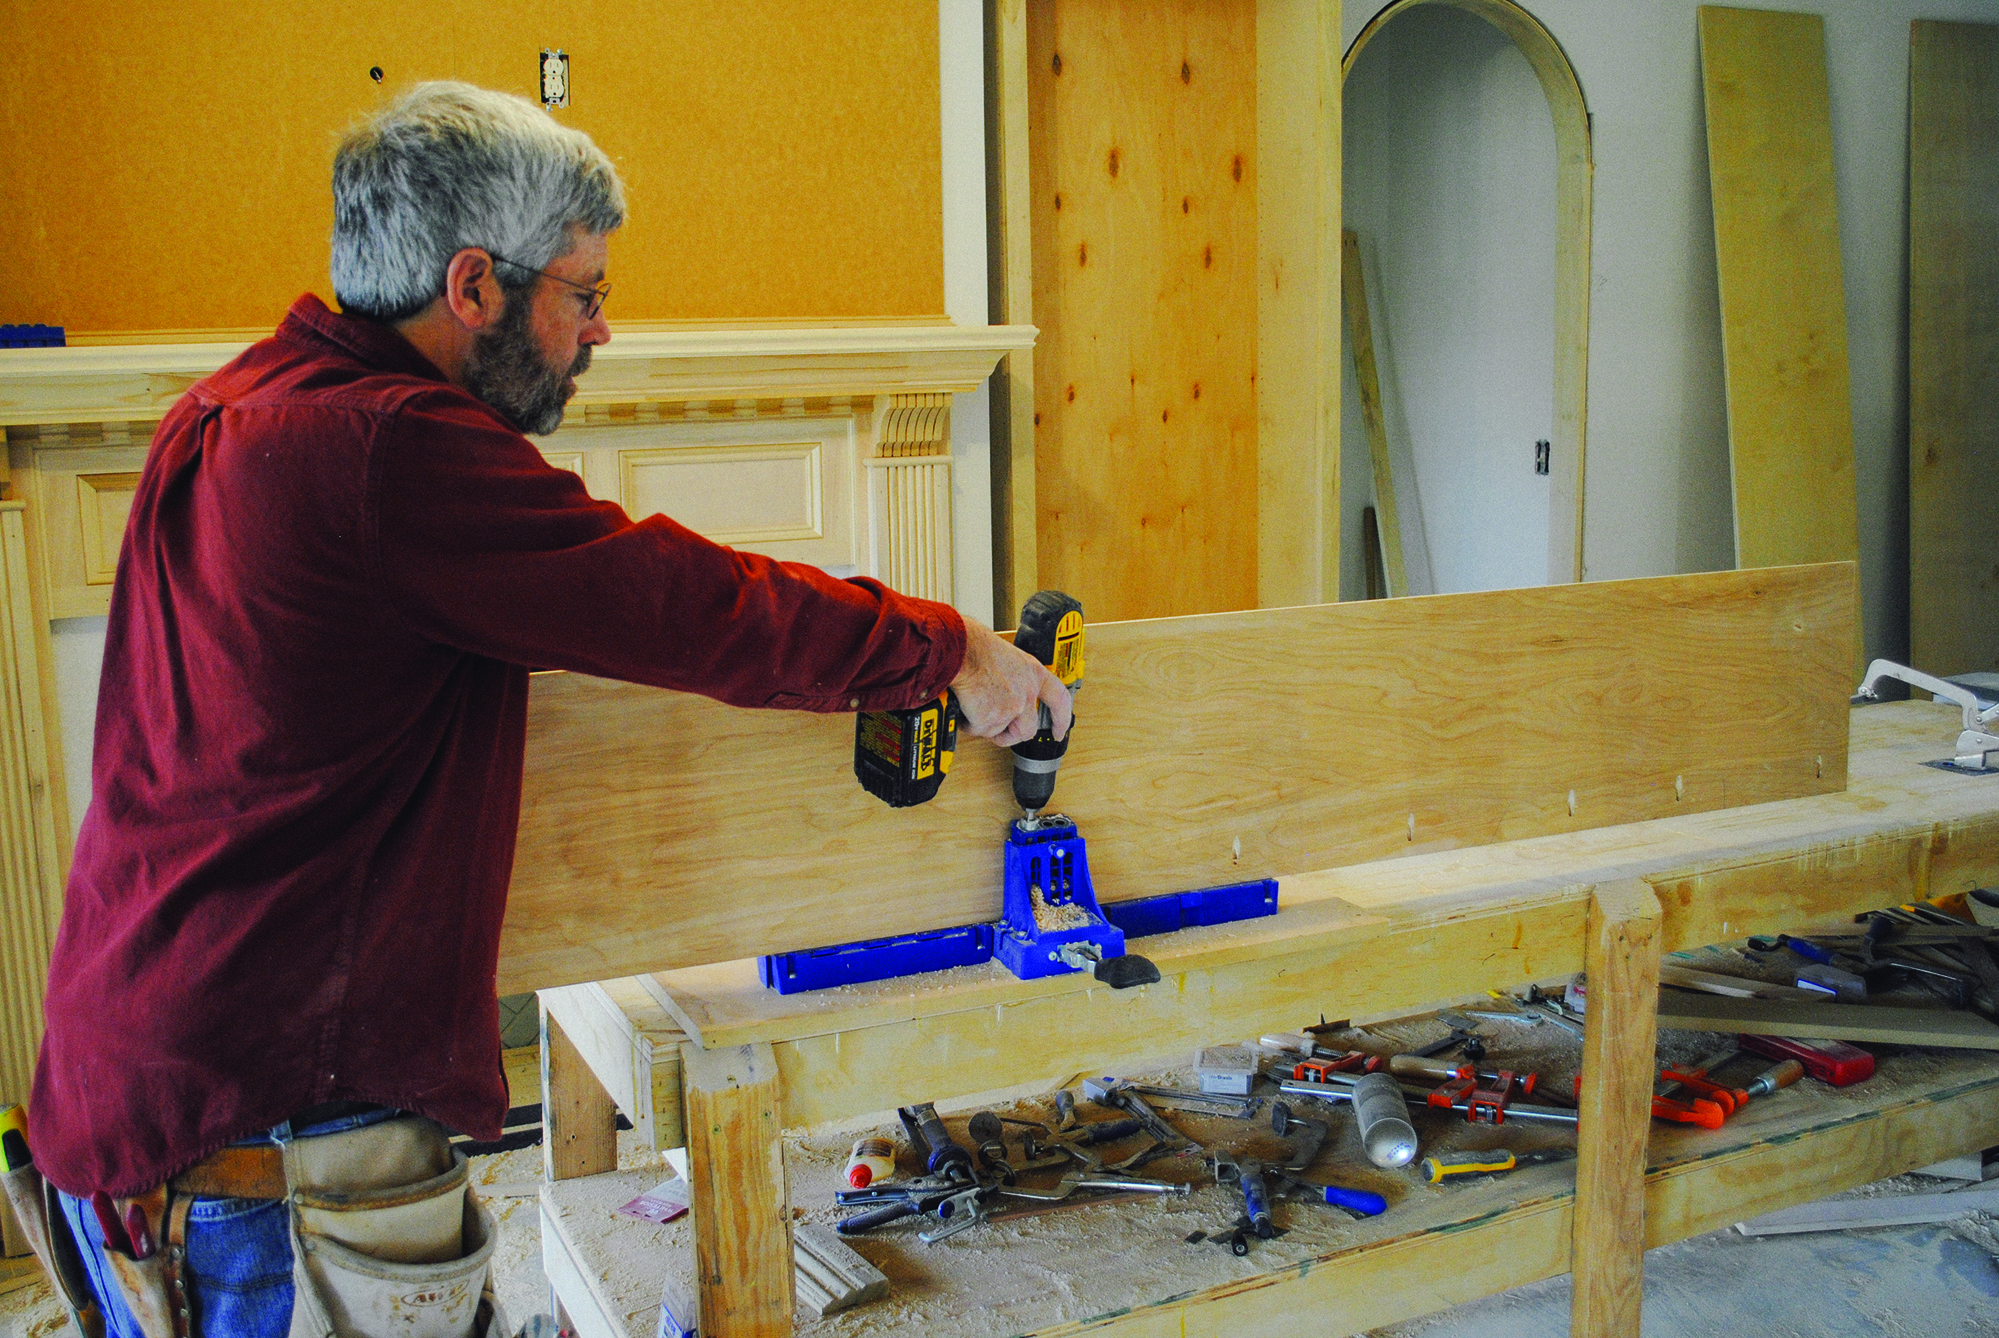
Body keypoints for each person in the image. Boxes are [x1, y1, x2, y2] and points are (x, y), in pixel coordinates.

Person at [25, 81, 1068, 1336]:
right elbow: (692, 604)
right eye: (584, 295)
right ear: (474, 288)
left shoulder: (236, 408)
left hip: (135, 1081)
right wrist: (947, 645)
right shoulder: (382, 452)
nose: (602, 332)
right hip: (266, 1143)